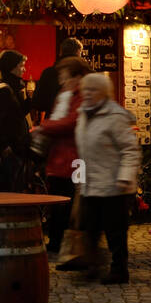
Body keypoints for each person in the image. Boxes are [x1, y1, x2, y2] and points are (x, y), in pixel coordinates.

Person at [74, 72, 140, 285]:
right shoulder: (84, 114)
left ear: (103, 93)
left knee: (115, 231)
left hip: (114, 185)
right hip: (91, 183)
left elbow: (130, 150)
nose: (87, 93)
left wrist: (125, 177)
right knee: (90, 228)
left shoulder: (115, 117)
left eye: (92, 90)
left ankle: (119, 270)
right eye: (85, 89)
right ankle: (93, 266)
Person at [37, 58, 89, 254]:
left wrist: (45, 126)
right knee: (59, 201)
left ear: (77, 77)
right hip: (59, 156)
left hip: (75, 157)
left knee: (70, 203)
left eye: (65, 76)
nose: (62, 81)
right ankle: (57, 241)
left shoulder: (81, 95)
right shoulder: (64, 94)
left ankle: (69, 243)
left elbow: (72, 122)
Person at [0, 50, 32, 191]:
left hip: (16, 147)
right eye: (21, 66)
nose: (24, 69)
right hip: (11, 149)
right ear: (11, 67)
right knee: (9, 189)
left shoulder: (13, 88)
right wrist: (4, 147)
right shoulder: (4, 90)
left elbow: (16, 113)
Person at [32, 37, 84, 120]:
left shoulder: (48, 73)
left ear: (61, 53)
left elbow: (39, 104)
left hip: (53, 121)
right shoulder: (85, 73)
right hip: (78, 122)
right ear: (78, 52)